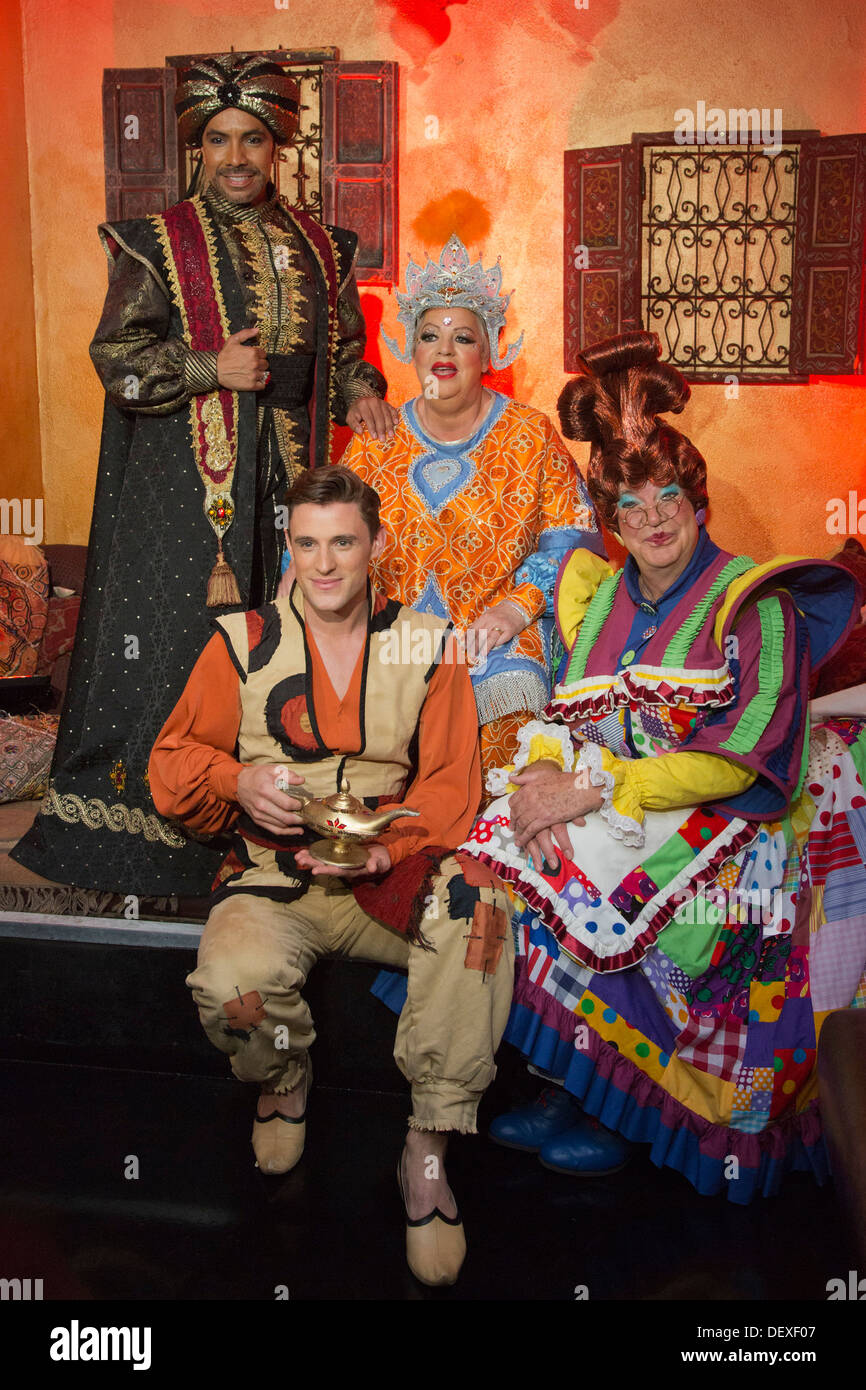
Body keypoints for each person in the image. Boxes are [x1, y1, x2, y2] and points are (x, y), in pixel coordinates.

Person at [460, 331, 864, 1203]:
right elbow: (575, 711)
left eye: (667, 496)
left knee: (609, 872)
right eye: (630, 507)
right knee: (506, 838)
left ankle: (620, 1107)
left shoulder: (756, 601)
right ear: (610, 521)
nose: (651, 519)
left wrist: (599, 788)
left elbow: (739, 756)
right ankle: (576, 1082)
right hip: (633, 805)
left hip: (740, 819)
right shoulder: (603, 595)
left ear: (697, 500)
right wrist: (544, 772)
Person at [14, 53, 396, 896]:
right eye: (218, 139)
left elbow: (343, 352)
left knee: (278, 640)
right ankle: (160, 821)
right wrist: (204, 370)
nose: (235, 157)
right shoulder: (152, 244)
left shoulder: (324, 248)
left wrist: (364, 390)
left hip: (291, 478)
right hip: (183, 491)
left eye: (252, 139)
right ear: (199, 148)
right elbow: (117, 360)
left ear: (278, 147)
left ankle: (270, 814)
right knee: (183, 643)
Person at [148, 465, 514, 1286]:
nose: (324, 564)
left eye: (342, 542)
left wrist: (396, 845)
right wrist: (234, 779)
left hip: (385, 870)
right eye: (307, 544)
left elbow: (454, 779)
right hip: (273, 875)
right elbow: (170, 760)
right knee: (231, 987)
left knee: (483, 911)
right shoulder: (239, 639)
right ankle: (284, 1076)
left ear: (375, 545)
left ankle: (426, 1149)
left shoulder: (426, 639)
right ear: (290, 547)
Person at [339, 235, 604, 777]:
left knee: (512, 703)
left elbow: (573, 539)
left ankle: (490, 849)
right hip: (392, 636)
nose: (443, 351)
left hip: (498, 634)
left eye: (462, 338)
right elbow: (329, 540)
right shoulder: (376, 436)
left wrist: (514, 609)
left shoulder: (530, 435)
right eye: (429, 336)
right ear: (410, 349)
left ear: (488, 353)